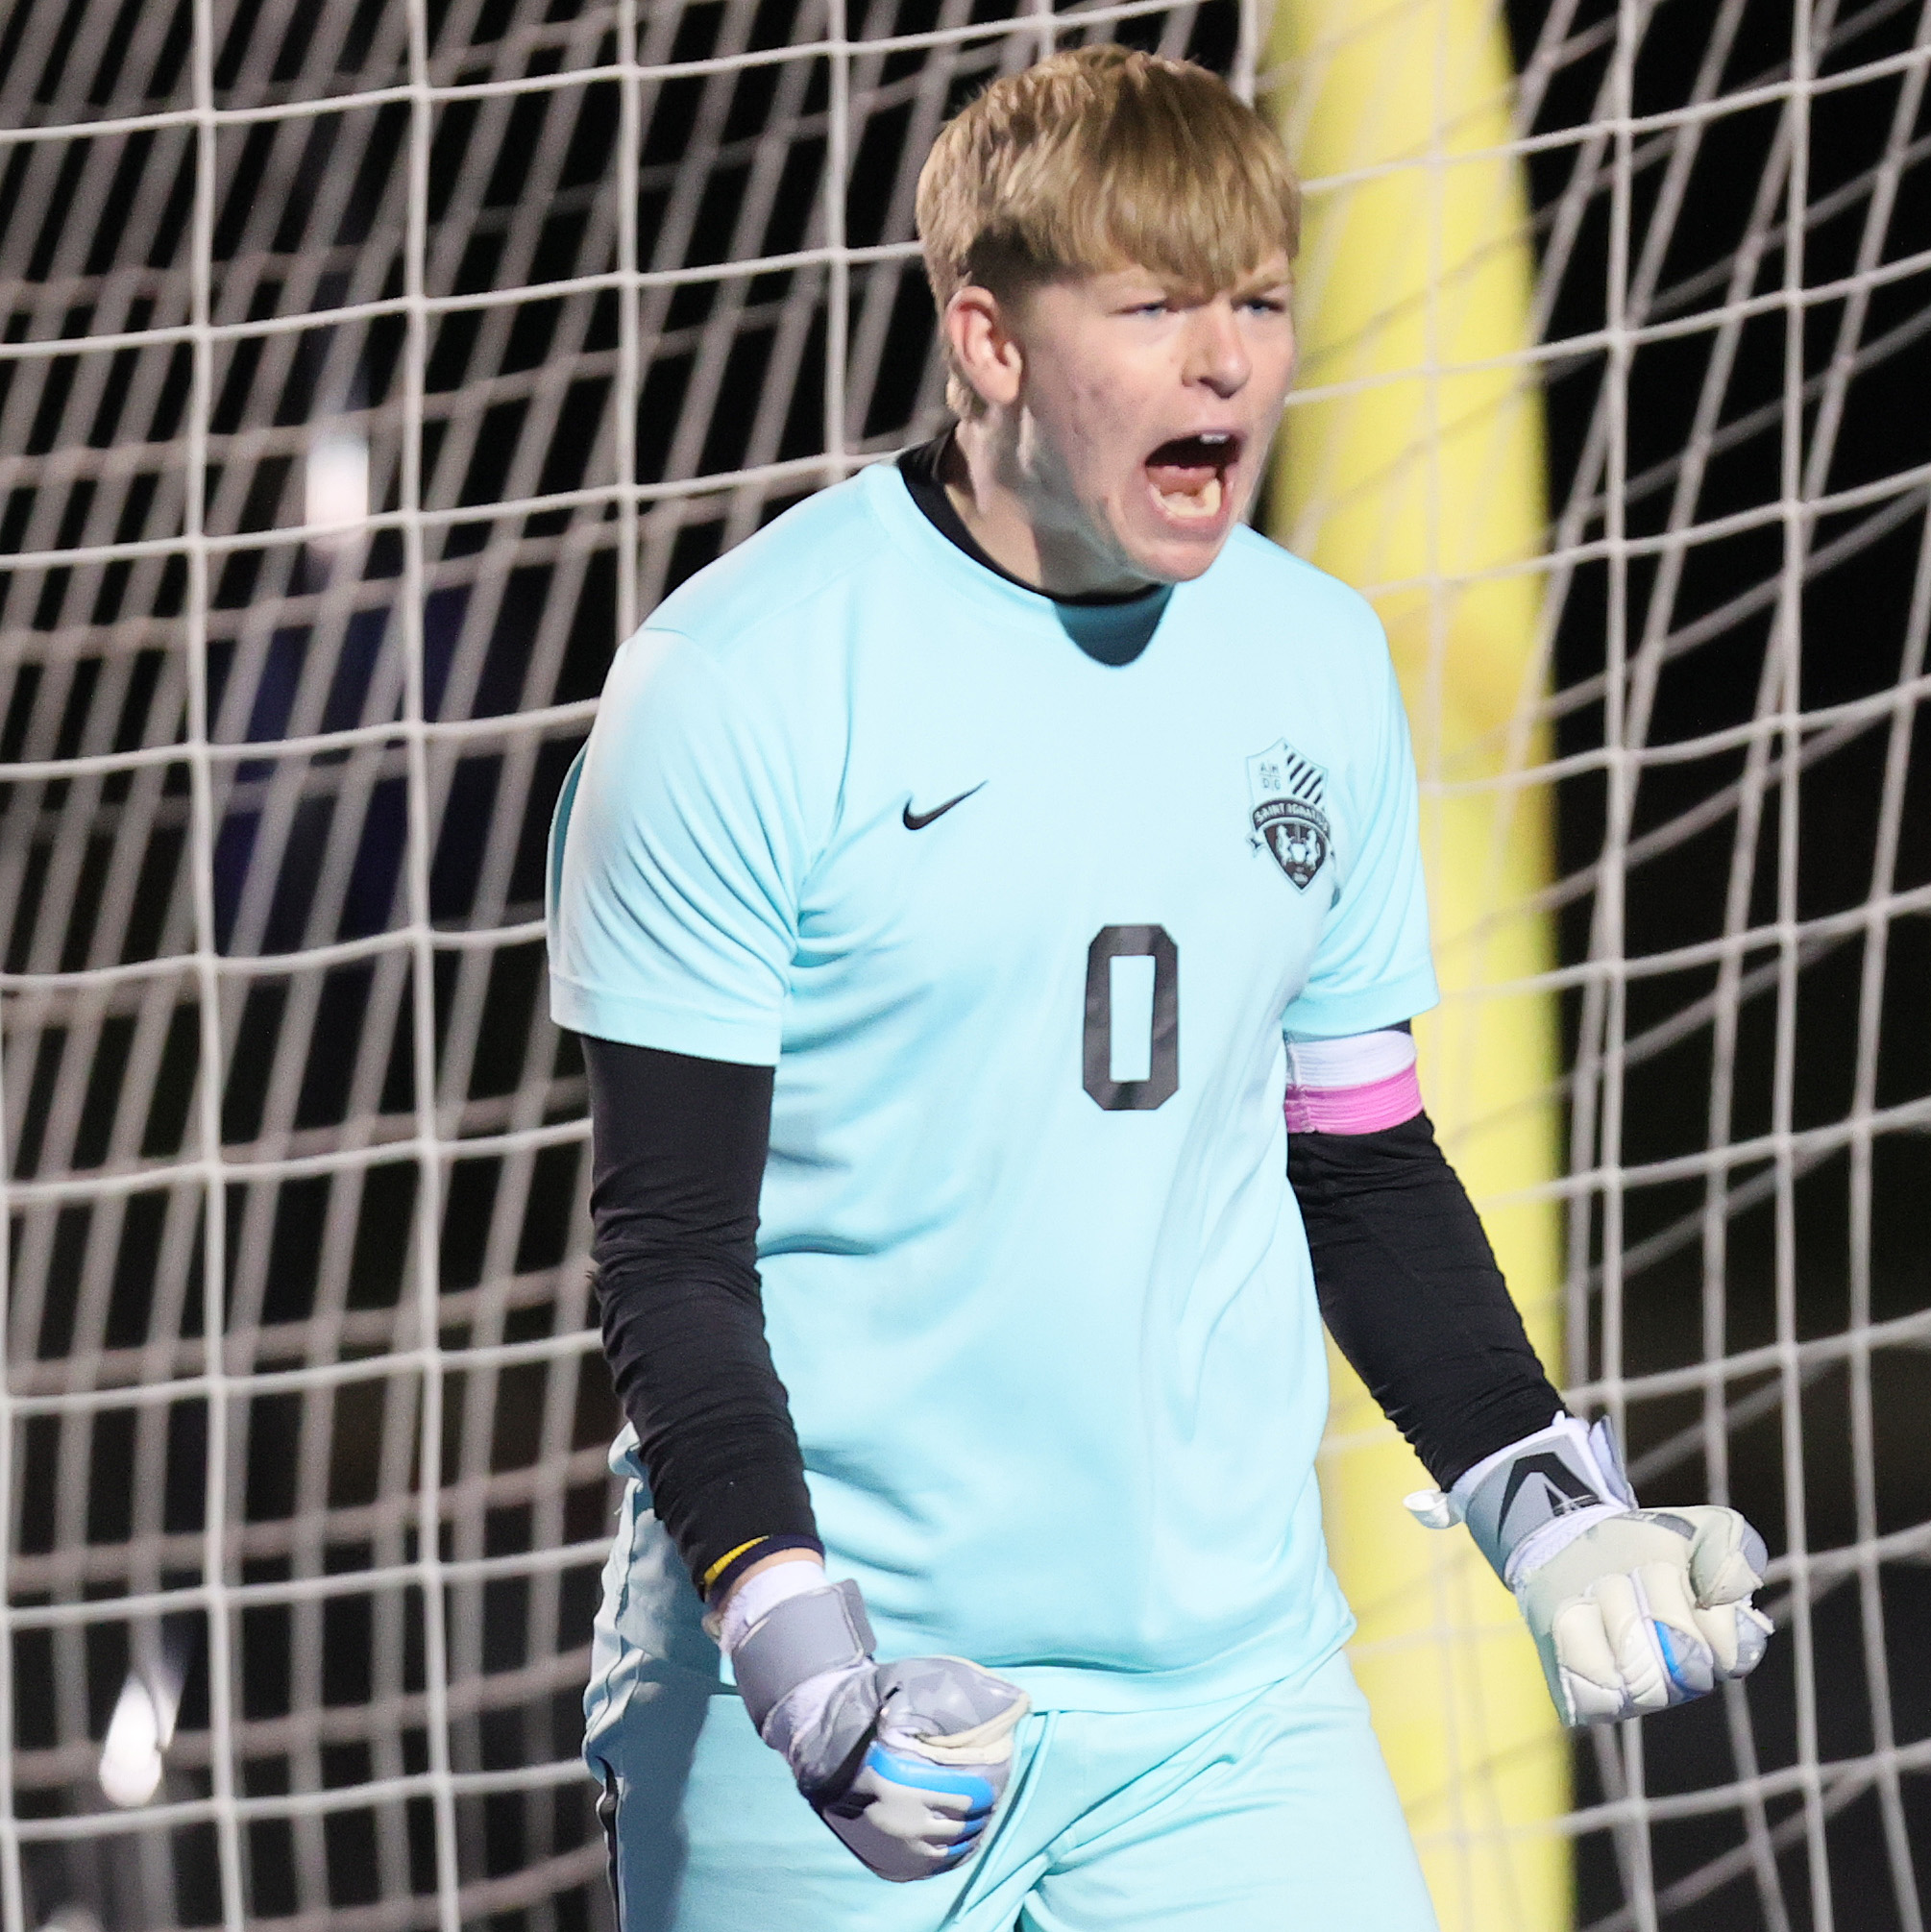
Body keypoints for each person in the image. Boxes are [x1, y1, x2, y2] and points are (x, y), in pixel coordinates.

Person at [546, 44, 1771, 1931]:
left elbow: (1358, 1167)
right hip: (840, 1694)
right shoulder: (742, 686)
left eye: (1258, 303)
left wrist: (1551, 1508)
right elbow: (672, 1257)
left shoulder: (1316, 665)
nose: (1226, 364)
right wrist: (795, 1649)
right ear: (988, 340)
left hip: (1228, 1711)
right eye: (1151, 308)